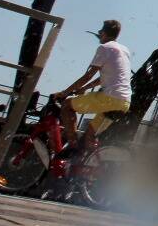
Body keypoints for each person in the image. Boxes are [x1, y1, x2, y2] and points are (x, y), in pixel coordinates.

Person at [51, 19, 131, 151]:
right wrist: (83, 89)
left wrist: (65, 92)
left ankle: (71, 146)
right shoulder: (124, 50)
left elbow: (88, 76)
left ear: (104, 33)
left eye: (101, 31)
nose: (99, 33)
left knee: (66, 106)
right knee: (89, 137)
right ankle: (86, 164)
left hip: (110, 98)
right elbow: (103, 78)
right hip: (124, 103)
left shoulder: (104, 48)